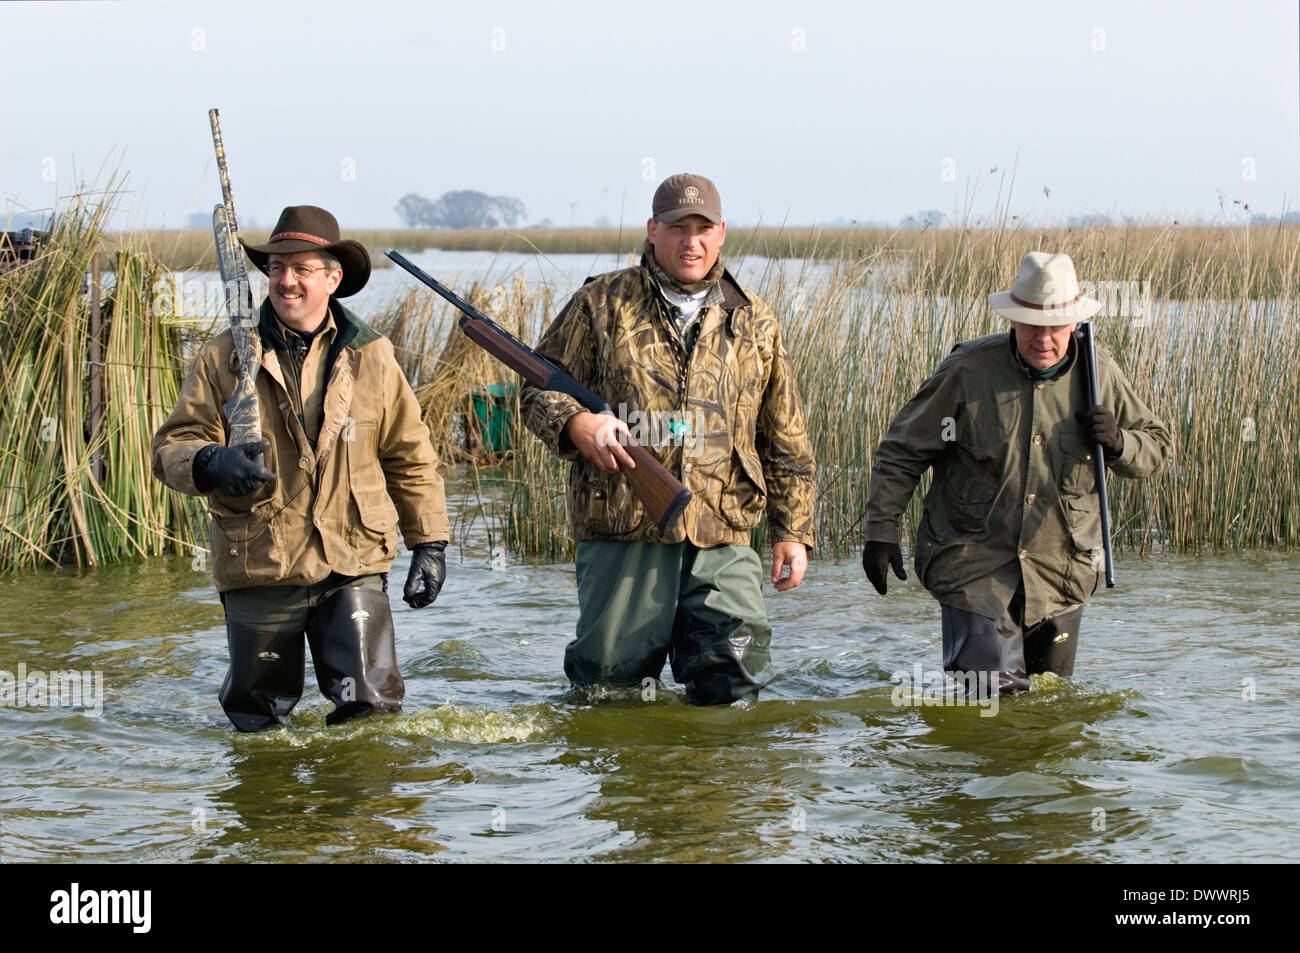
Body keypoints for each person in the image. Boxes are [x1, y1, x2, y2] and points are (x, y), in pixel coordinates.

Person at [521, 173, 816, 705]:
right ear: (653, 230)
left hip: (723, 529)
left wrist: (792, 530)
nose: (692, 241)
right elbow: (534, 391)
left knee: (737, 680)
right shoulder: (600, 303)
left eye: (703, 228)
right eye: (679, 227)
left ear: (722, 232)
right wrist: (576, 424)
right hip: (623, 526)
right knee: (609, 690)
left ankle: (712, 787)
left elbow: (784, 436)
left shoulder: (754, 320)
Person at [152, 205, 451, 731]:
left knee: (371, 711)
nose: (285, 281)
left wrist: (429, 542)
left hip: (353, 557)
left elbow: (410, 454)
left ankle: (356, 809)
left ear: (333, 279)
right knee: (256, 718)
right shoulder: (225, 355)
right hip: (261, 558)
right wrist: (209, 462)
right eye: (275, 269)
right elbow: (171, 446)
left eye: (301, 269)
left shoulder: (373, 355)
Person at [862, 251, 1172, 694]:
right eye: (1031, 325)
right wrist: (881, 532)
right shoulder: (969, 369)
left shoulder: (1100, 374)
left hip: (1063, 573)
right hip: (973, 569)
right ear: (1012, 321)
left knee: (1049, 705)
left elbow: (1157, 446)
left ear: (1074, 324)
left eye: (1055, 327)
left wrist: (1122, 442)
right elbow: (901, 451)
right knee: (990, 698)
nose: (1043, 338)